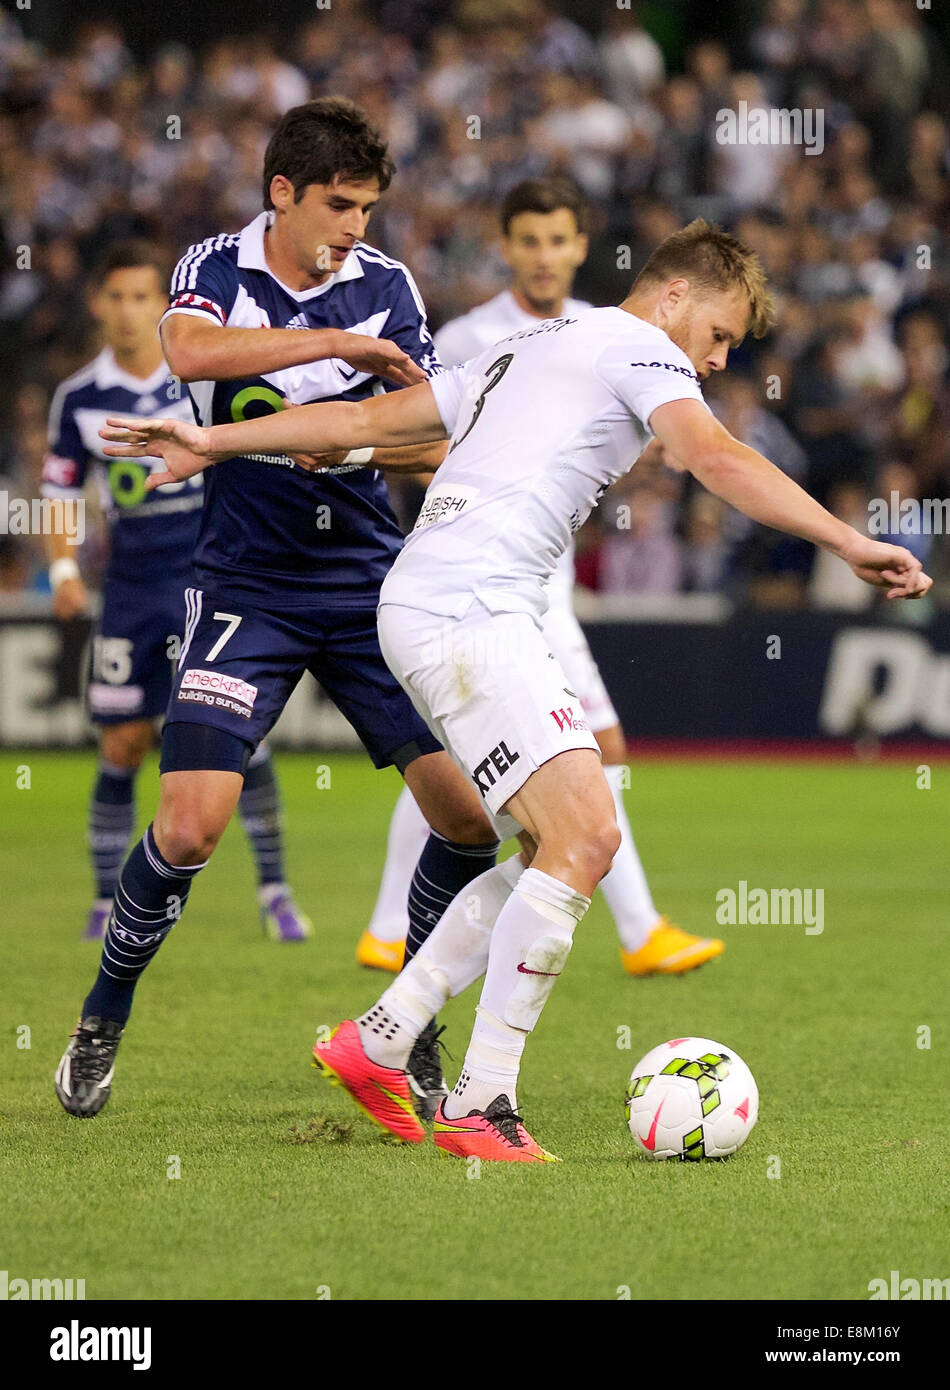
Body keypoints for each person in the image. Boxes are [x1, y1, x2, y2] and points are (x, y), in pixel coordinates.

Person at [98, 219, 931, 1162]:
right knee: (586, 835)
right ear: (675, 298)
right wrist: (849, 540)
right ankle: (480, 1102)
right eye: (722, 334)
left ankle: (379, 1038)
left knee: (556, 841)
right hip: (468, 609)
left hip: (443, 601)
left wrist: (211, 438)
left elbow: (370, 424)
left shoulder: (526, 347)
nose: (718, 356)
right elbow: (716, 457)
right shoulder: (640, 347)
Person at [54, 98, 499, 1121]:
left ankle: (412, 1024)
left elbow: (437, 440)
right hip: (246, 585)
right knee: (192, 825)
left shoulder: (390, 284)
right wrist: (339, 346)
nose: (355, 227)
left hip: (370, 588)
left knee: (468, 819)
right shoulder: (216, 267)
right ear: (282, 193)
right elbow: (193, 359)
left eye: (368, 208)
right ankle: (101, 1014)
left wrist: (350, 441)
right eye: (339, 205)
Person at [358, 178, 722, 978]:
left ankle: (401, 929)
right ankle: (636, 930)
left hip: (539, 574)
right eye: (529, 240)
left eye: (559, 240)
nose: (545, 256)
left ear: (582, 246)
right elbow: (419, 435)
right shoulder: (470, 333)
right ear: (507, 245)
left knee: (491, 758)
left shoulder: (603, 331)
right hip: (485, 573)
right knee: (528, 757)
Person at [42, 241, 311, 944]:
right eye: (117, 297)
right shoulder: (77, 398)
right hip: (130, 593)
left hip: (212, 582)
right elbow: (57, 493)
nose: (130, 312)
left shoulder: (198, 377)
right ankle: (106, 901)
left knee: (237, 740)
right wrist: (65, 572)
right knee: (125, 741)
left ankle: (276, 892)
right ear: (98, 305)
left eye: (142, 297)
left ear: (162, 305)